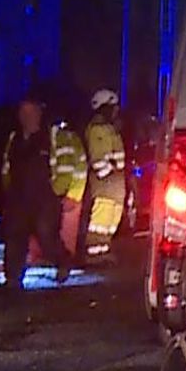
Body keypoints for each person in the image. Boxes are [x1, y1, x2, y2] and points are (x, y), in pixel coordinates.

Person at [0, 99, 75, 289]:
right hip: (19, 198)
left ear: (39, 114)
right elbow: (7, 167)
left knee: (46, 235)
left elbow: (66, 165)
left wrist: (59, 191)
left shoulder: (51, 136)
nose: (27, 118)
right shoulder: (15, 138)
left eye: (31, 113)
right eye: (23, 113)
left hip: (44, 198)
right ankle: (13, 280)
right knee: (15, 237)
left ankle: (63, 261)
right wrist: (9, 190)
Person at [77, 89, 128, 263]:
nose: (116, 110)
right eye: (113, 107)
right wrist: (110, 173)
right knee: (101, 219)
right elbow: (99, 160)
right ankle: (93, 253)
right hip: (105, 183)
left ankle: (102, 251)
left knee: (110, 220)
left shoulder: (109, 129)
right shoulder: (98, 129)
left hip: (114, 183)